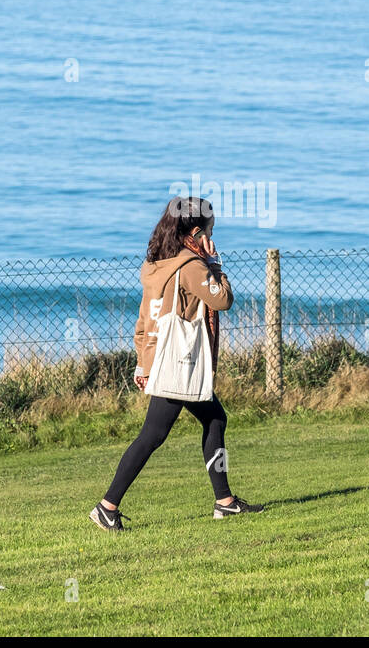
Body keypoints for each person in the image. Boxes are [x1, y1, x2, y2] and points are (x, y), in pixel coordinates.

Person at [90, 197, 264, 530]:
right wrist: (214, 264)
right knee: (152, 435)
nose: (213, 238)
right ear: (196, 232)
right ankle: (107, 506)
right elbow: (222, 299)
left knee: (214, 419)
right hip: (179, 362)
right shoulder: (191, 266)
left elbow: (145, 318)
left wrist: (143, 363)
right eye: (211, 231)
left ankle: (225, 502)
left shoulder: (157, 263)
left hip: (159, 357)